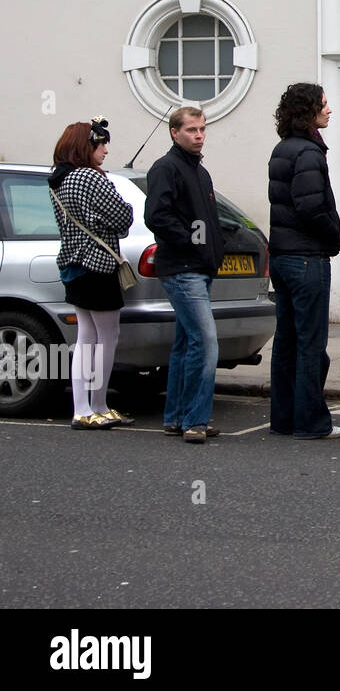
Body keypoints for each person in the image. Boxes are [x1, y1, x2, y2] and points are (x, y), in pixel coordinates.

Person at [267, 83, 340, 439]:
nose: (329, 110)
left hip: (282, 257)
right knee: (310, 344)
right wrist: (334, 236)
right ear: (308, 111)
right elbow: (311, 207)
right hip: (305, 258)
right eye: (324, 105)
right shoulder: (310, 153)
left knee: (287, 341)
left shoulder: (282, 149)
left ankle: (284, 419)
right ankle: (311, 422)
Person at [48, 116, 135, 430]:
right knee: (107, 338)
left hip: (72, 265)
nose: (106, 151)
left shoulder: (58, 179)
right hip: (98, 265)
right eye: (101, 144)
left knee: (85, 338)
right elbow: (122, 218)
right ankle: (98, 405)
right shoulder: (91, 178)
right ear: (86, 146)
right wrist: (124, 208)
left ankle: (81, 409)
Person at [145, 106, 226, 443]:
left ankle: (176, 417)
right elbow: (156, 215)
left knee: (184, 344)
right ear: (174, 132)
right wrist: (191, 244)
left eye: (202, 129)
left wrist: (212, 250)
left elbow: (207, 219)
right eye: (192, 130)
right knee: (206, 344)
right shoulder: (166, 168)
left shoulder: (199, 171)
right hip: (182, 269)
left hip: (198, 268)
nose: (199, 135)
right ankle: (196, 419)